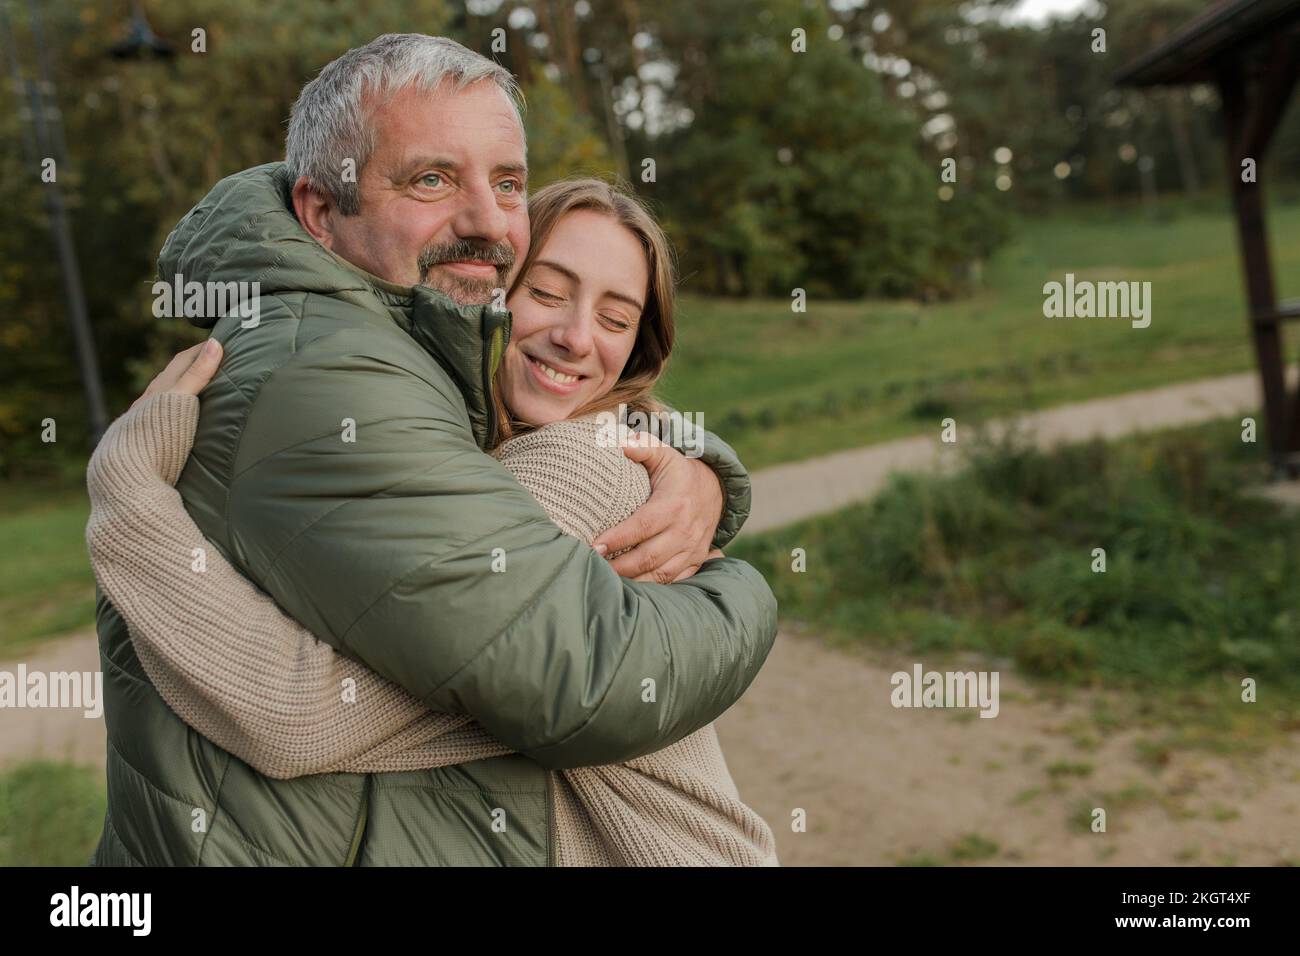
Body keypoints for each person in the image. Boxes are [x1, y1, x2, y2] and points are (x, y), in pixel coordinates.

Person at [88, 34, 777, 866]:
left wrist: (128, 507)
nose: (572, 336)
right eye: (432, 178)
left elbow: (302, 712)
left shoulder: (583, 462)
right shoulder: (418, 405)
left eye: (616, 319)